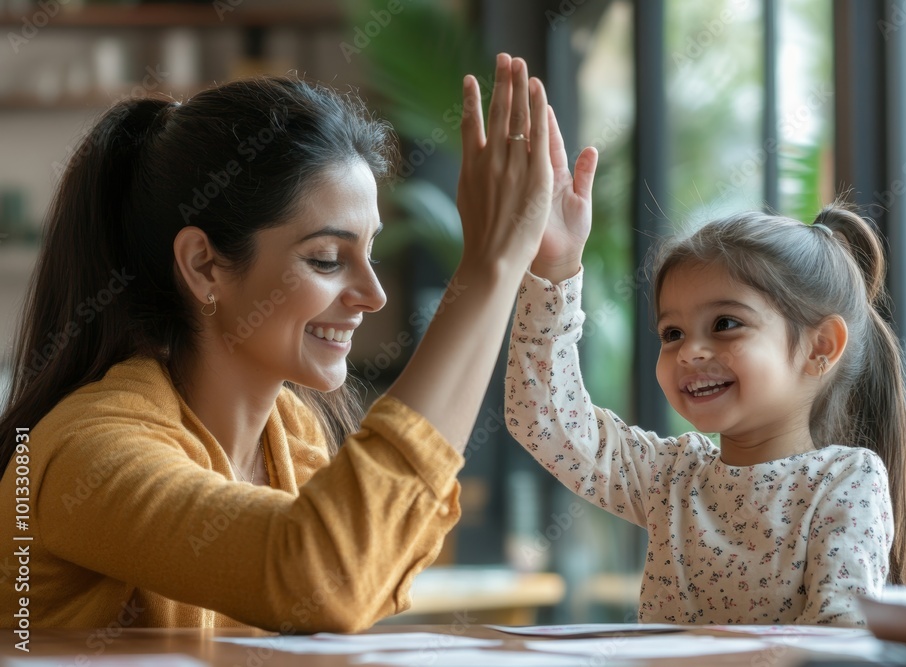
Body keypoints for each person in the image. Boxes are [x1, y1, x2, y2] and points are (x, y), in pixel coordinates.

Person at [0, 53, 553, 631]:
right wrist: (489, 270)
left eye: (372, 252)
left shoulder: (290, 434)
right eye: (326, 258)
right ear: (204, 265)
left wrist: (543, 265)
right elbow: (319, 577)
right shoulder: (83, 450)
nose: (373, 294)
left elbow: (370, 568)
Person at [506, 163, 906, 624]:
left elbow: (838, 637)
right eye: (672, 333)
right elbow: (543, 418)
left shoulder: (845, 480)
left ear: (820, 347)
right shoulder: (669, 476)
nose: (689, 352)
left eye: (725, 324)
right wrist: (556, 265)